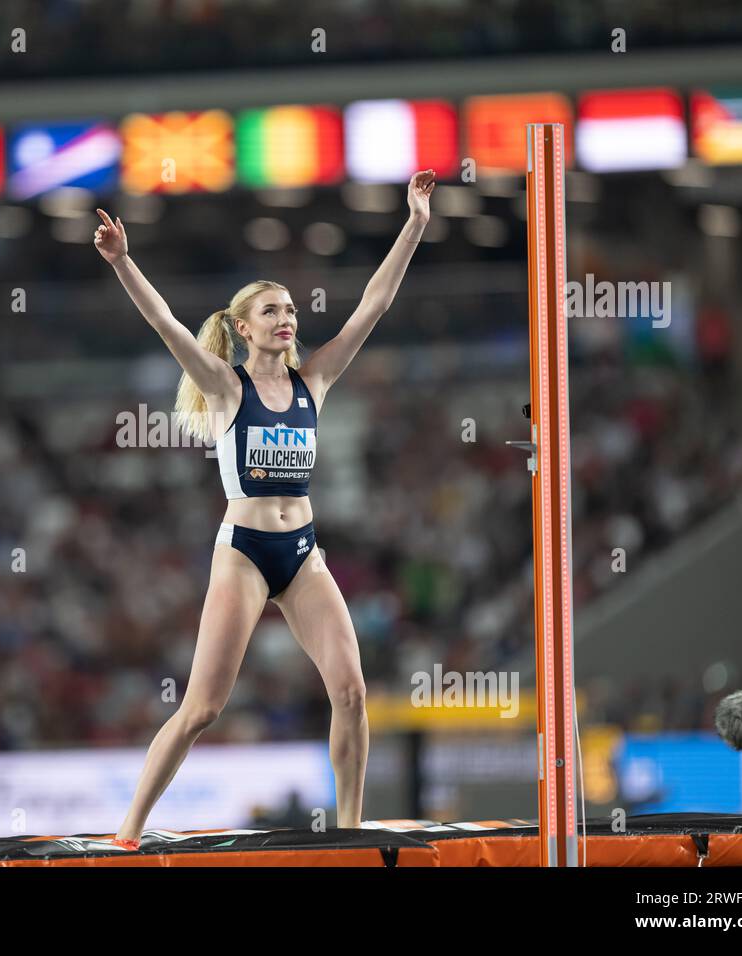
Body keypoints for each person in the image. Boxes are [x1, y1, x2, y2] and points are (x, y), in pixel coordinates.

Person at [93, 169, 436, 848]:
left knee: (353, 692)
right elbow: (163, 323)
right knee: (202, 709)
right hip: (245, 554)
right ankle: (126, 834)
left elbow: (374, 304)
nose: (290, 319)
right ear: (244, 328)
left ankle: (351, 830)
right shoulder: (225, 386)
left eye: (292, 310)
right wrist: (122, 260)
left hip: (303, 553)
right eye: (274, 311)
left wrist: (416, 224)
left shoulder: (316, 380)